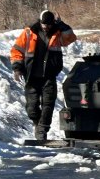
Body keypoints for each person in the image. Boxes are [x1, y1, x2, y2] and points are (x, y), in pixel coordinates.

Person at [11, 10, 76, 142]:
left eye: (49, 24)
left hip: (49, 75)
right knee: (31, 107)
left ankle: (42, 130)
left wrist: (61, 24)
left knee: (48, 104)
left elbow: (71, 38)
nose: (46, 26)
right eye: (44, 24)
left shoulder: (57, 33)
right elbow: (17, 50)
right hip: (32, 76)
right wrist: (17, 68)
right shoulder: (29, 32)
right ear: (40, 22)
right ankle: (37, 122)